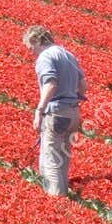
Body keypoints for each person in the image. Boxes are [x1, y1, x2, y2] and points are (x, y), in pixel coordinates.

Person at [23, 25, 87, 197]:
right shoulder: (68, 55)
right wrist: (71, 97)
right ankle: (63, 196)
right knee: (63, 158)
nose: (32, 53)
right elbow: (83, 86)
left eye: (31, 48)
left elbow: (50, 84)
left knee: (50, 161)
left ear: (37, 41)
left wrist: (39, 110)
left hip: (56, 113)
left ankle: (56, 204)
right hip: (73, 113)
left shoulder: (45, 57)